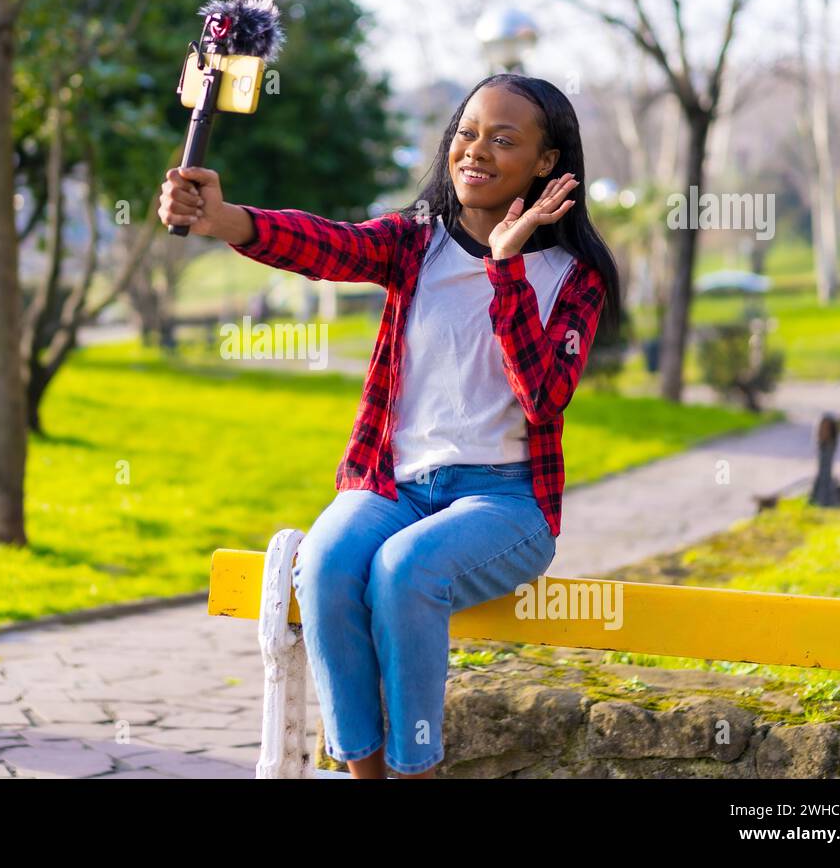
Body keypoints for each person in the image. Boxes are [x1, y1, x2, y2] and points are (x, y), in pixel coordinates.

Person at [157, 73, 623, 779]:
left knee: (406, 572)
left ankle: (417, 771)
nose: (476, 151)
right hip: (392, 484)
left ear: (547, 162)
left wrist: (505, 268)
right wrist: (224, 220)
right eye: (467, 133)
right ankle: (366, 775)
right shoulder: (415, 244)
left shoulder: (573, 275)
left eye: (504, 140)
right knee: (324, 565)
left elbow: (542, 399)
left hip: (502, 503)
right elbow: (325, 246)